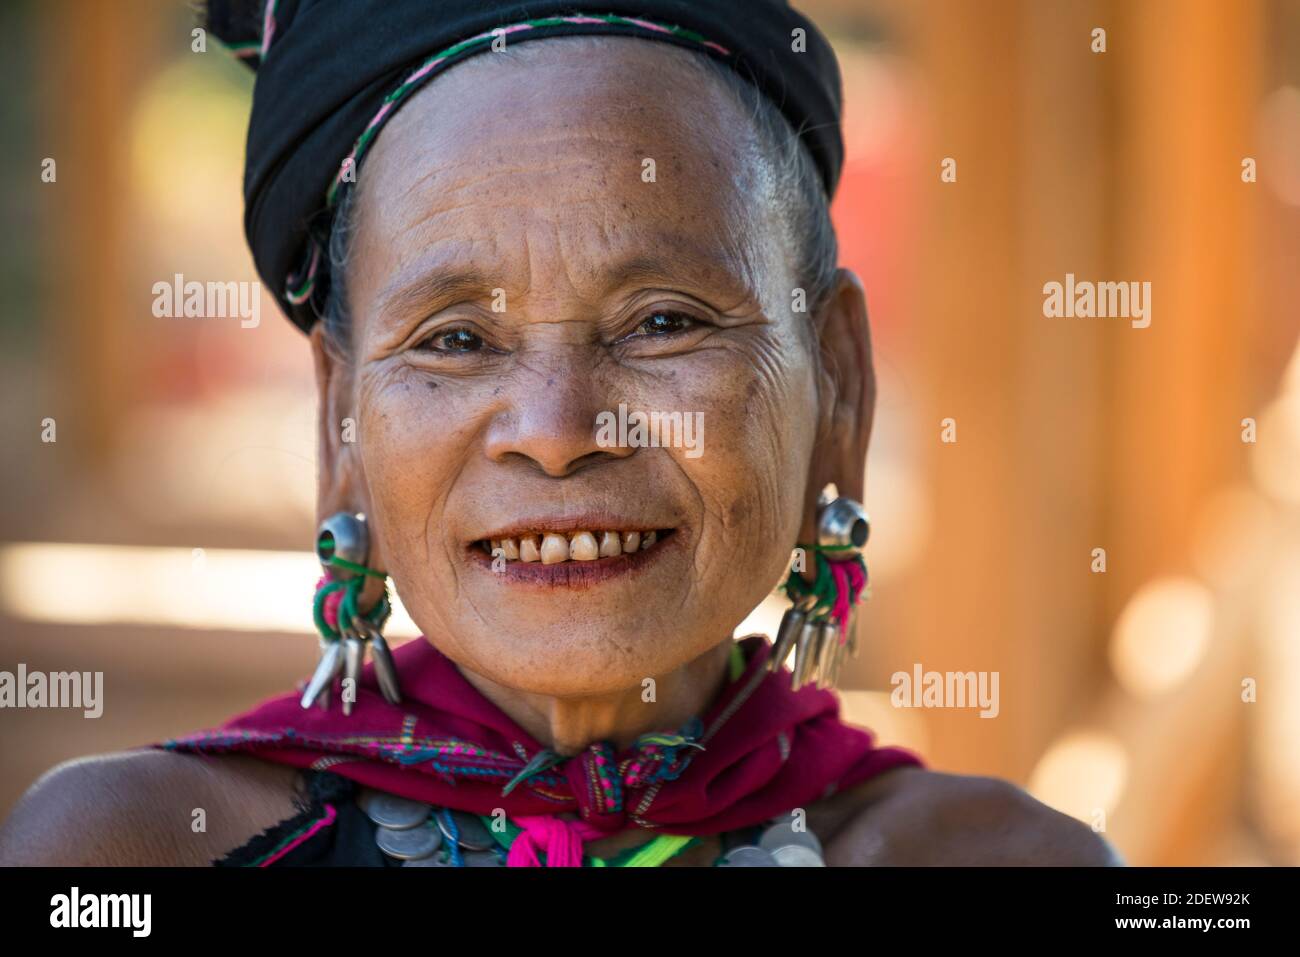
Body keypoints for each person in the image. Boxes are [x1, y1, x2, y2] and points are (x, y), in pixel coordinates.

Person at [0, 0, 1120, 867]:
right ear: (341, 427)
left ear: (836, 386)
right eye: (453, 339)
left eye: (664, 322)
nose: (556, 431)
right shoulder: (129, 856)